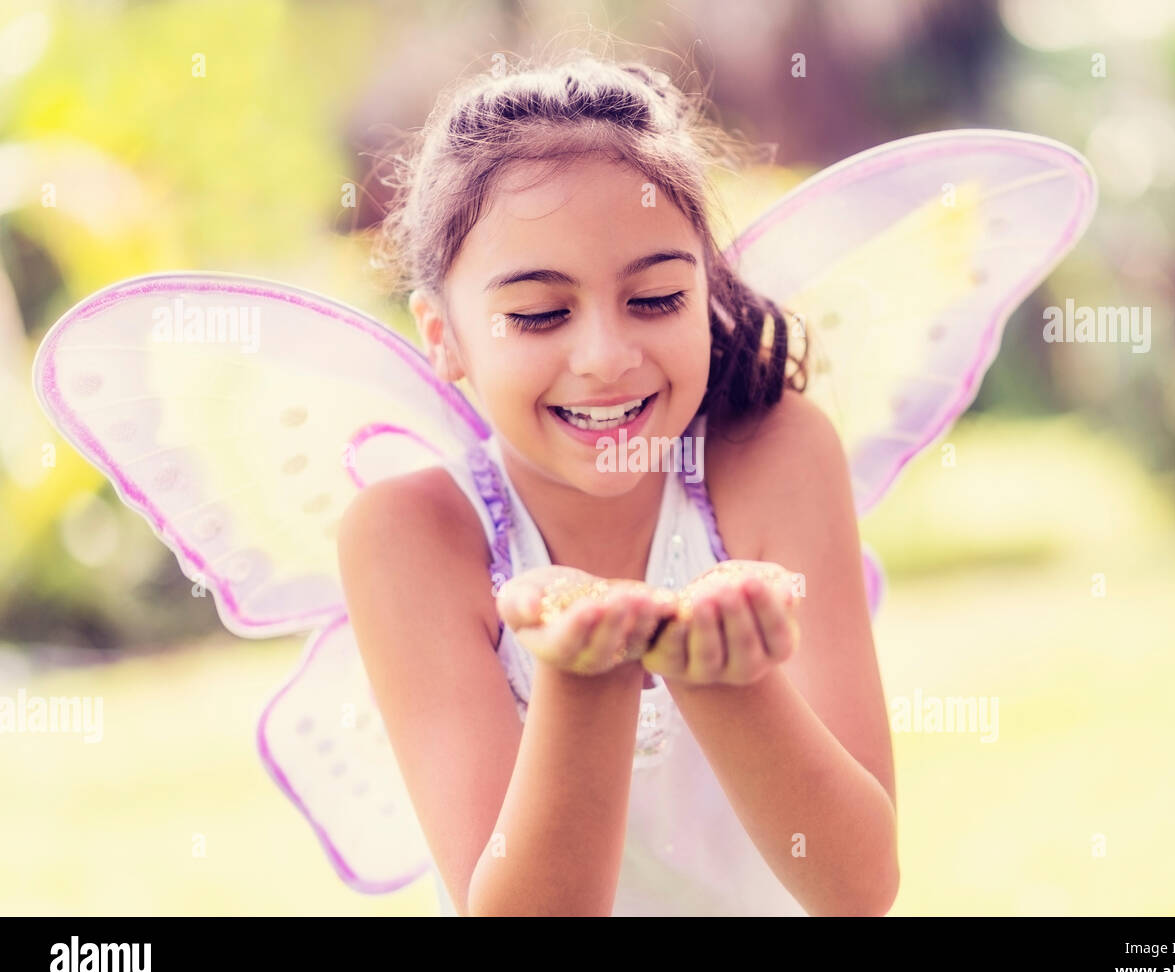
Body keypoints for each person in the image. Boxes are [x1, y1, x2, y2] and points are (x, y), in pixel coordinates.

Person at [335, 52, 898, 917]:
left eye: (657, 299)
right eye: (538, 314)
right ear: (444, 337)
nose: (604, 357)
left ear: (706, 296)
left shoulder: (776, 456)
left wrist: (720, 673)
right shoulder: (410, 535)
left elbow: (859, 888)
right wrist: (582, 672)